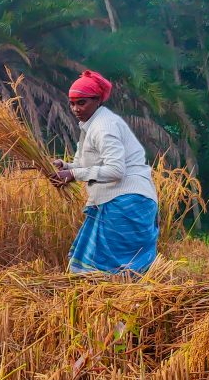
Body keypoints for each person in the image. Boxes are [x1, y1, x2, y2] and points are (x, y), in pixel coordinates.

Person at [51, 70, 159, 275]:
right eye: (72, 103)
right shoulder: (91, 126)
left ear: (97, 100)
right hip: (116, 201)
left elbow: (116, 170)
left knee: (112, 272)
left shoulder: (104, 127)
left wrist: (73, 175)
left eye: (81, 103)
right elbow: (85, 164)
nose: (75, 109)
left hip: (127, 202)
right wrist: (65, 167)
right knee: (104, 272)